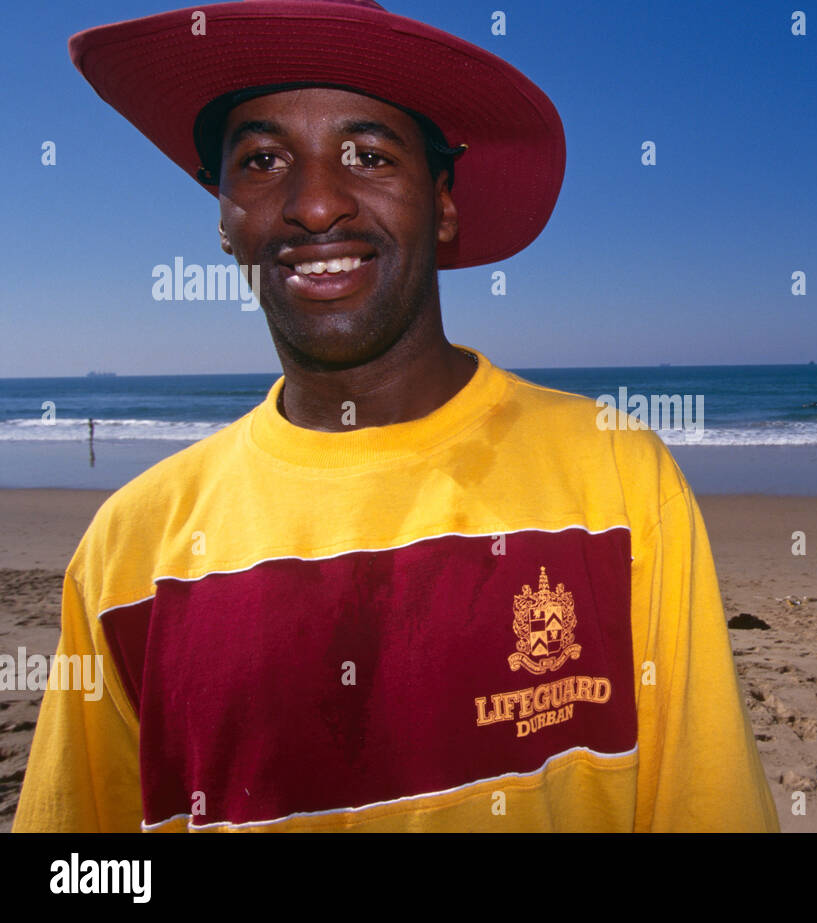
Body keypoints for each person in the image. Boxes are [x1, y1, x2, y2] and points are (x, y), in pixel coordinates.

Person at [14, 0, 778, 832]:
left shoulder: (618, 480)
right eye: (264, 159)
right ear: (226, 218)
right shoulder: (129, 554)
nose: (315, 204)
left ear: (443, 203)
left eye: (369, 156)